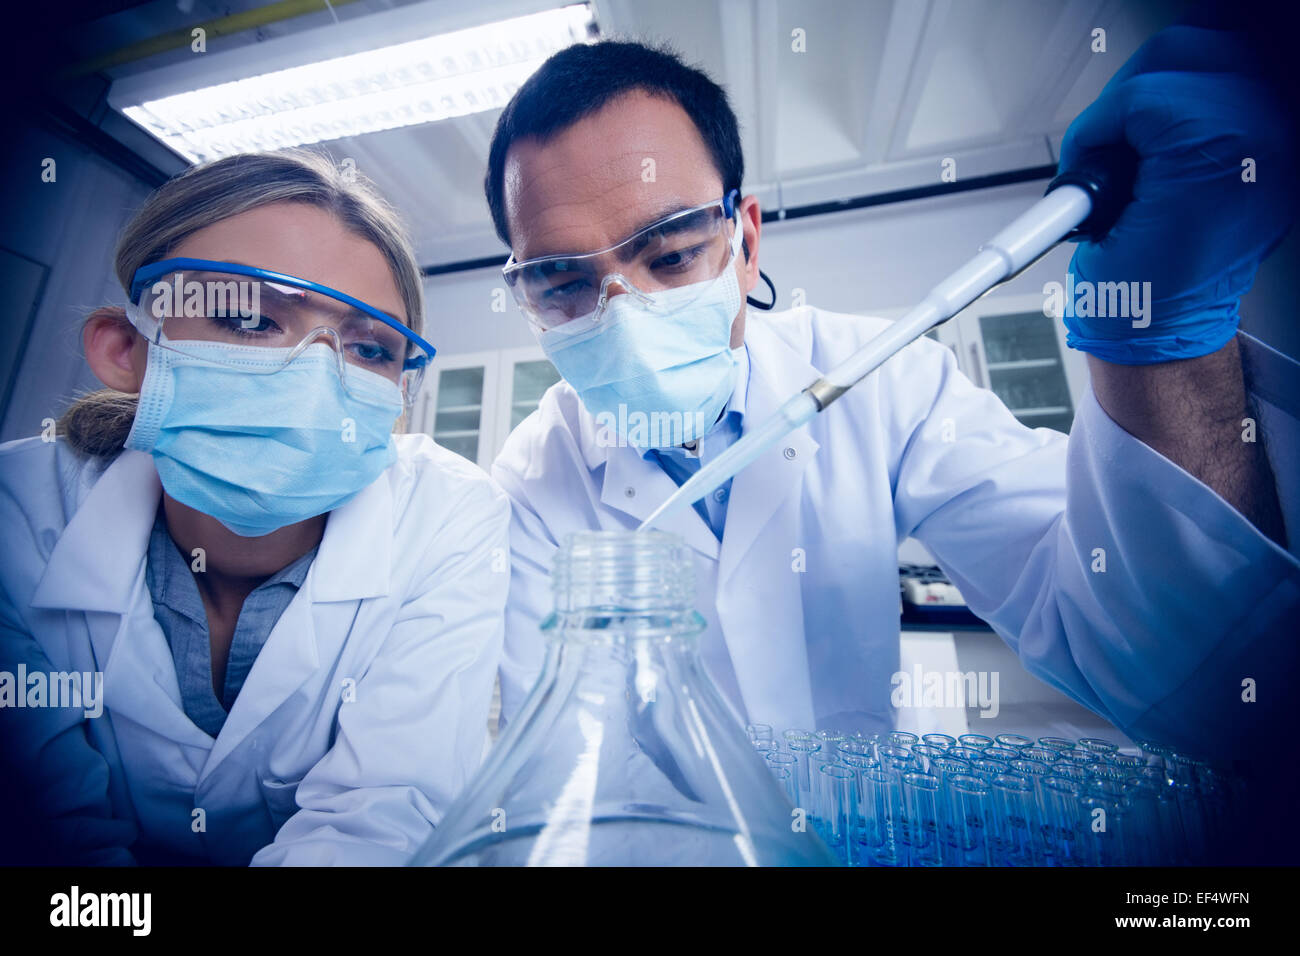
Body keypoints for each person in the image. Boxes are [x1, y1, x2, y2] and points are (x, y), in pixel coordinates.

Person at [486, 30, 1299, 770]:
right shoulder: (529, 480)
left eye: (668, 254)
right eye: (562, 283)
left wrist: (1160, 341)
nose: (625, 323)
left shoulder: (879, 375)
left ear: (744, 241)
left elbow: (1179, 674)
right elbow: (557, 768)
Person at [0, 150, 510, 865]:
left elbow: (378, 824)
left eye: (368, 349)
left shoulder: (449, 515)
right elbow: (42, 832)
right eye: (248, 320)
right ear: (127, 350)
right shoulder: (17, 510)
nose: (315, 377)